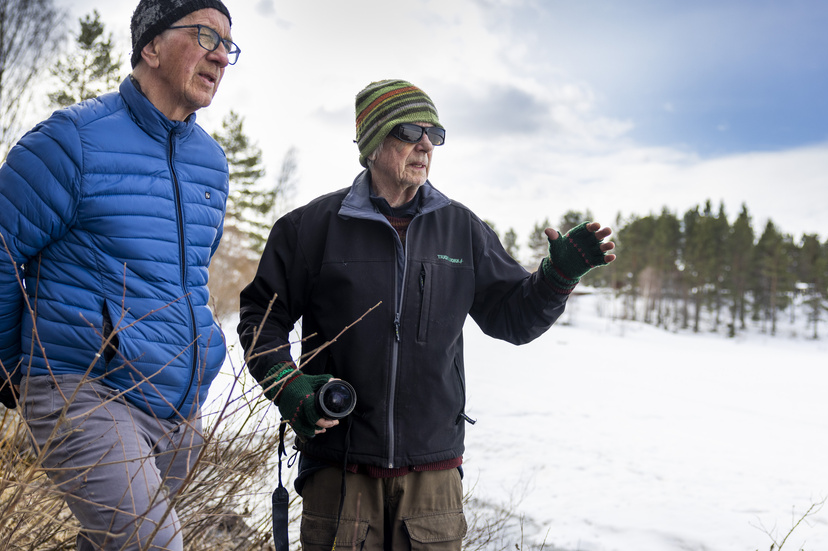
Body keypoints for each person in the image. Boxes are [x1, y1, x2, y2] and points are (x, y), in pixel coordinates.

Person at [237, 79, 617, 551]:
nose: (425, 144)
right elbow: (261, 317)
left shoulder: (463, 230)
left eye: (434, 134)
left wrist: (557, 277)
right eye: (410, 131)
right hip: (340, 471)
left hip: (432, 481)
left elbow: (513, 319)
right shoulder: (310, 228)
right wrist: (286, 384)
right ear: (372, 142)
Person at [0, 0, 239, 548]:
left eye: (228, 45)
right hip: (87, 392)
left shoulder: (211, 165)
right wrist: (21, 367)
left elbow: (187, 279)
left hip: (178, 409)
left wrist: (202, 355)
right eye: (206, 36)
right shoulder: (73, 140)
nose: (221, 56)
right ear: (151, 46)